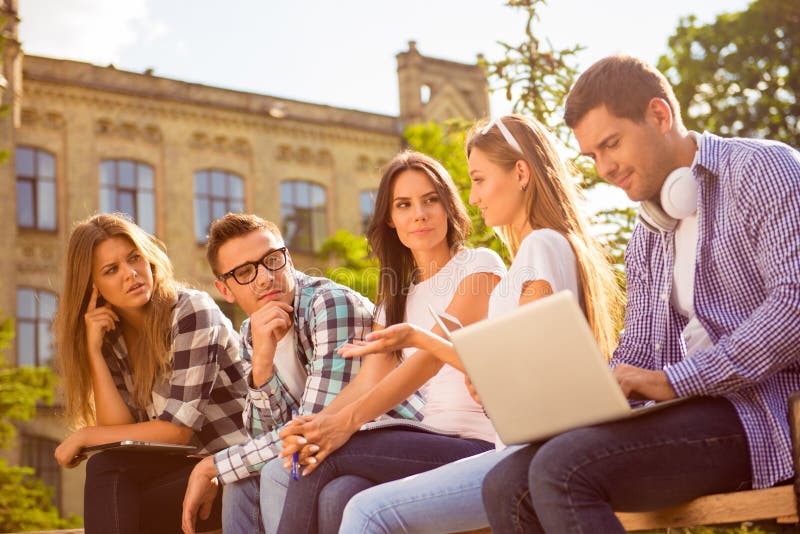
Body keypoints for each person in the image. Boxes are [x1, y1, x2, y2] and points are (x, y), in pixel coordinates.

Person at [482, 55, 800, 533]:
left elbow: (793, 308)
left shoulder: (764, 169)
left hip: (763, 414)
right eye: (592, 156)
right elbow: (638, 349)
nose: (605, 167)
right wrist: (590, 395)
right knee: (505, 485)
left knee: (561, 469)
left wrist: (675, 380)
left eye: (611, 144)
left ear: (659, 114)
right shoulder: (649, 229)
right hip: (687, 416)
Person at [274, 121, 622, 533]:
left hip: (478, 443)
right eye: (403, 205)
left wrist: (344, 425)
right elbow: (372, 379)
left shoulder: (483, 266)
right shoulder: (397, 298)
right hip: (443, 438)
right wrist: (314, 425)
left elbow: (433, 359)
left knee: (329, 465)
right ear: (388, 219)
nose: (419, 214)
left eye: (431, 200)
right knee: (337, 491)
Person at [180, 213, 424, 534]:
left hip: (391, 443)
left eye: (272, 260)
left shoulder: (331, 306)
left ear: (288, 258)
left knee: (286, 477)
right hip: (330, 456)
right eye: (244, 272)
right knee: (242, 486)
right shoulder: (252, 331)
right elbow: (261, 437)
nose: (265, 278)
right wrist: (262, 366)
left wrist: (211, 467)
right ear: (225, 290)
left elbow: (310, 430)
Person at [53, 213, 250, 534]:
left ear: (149, 259)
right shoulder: (110, 338)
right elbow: (122, 438)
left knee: (115, 493)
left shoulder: (191, 311)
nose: (131, 274)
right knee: (112, 481)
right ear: (93, 287)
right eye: (111, 270)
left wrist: (85, 436)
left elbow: (176, 432)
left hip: (235, 470)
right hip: (186, 472)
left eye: (134, 258)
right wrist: (93, 353)